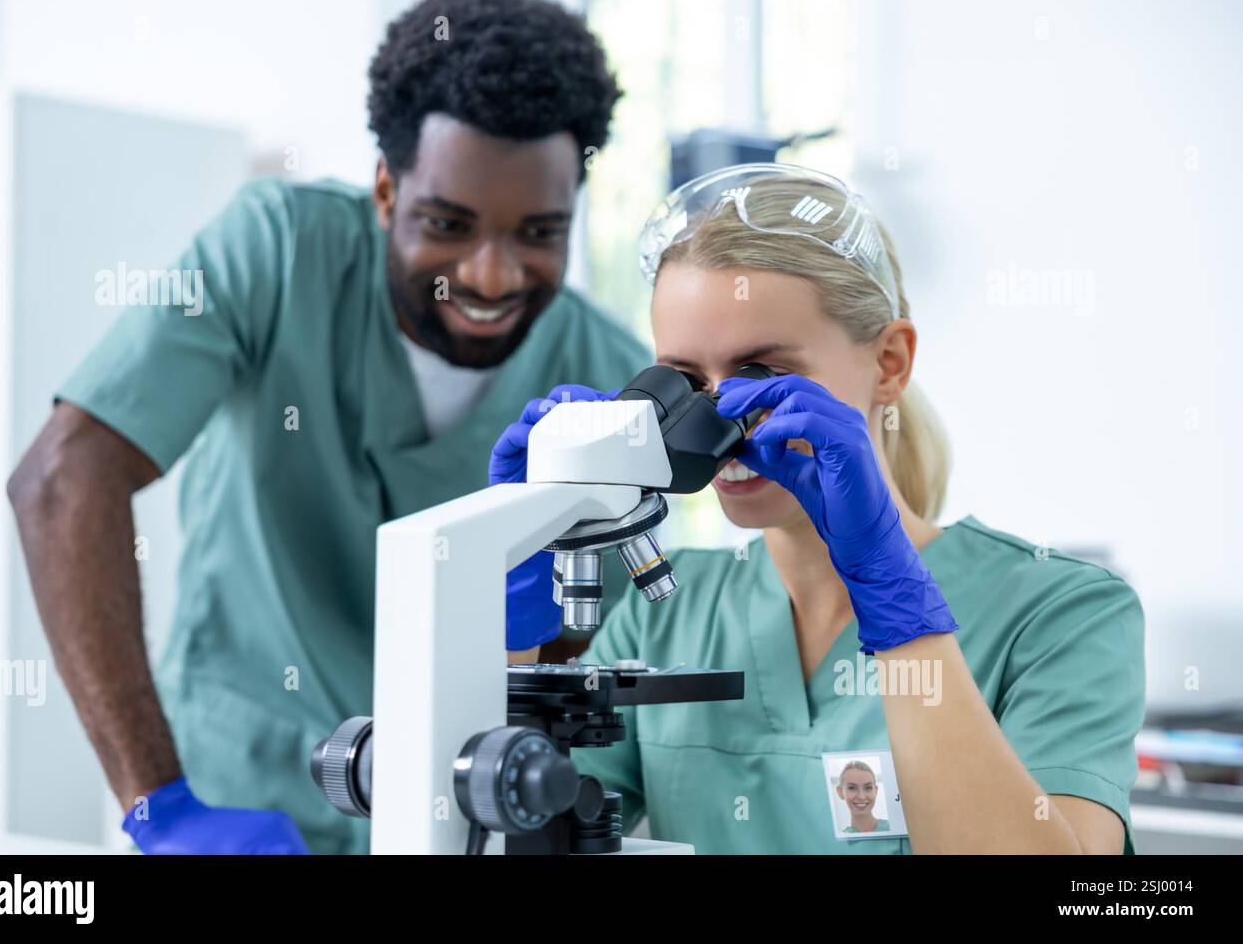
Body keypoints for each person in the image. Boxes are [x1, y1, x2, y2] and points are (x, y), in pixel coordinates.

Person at [6, 0, 650, 855]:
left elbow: (572, 664)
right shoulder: (276, 250)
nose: (493, 276)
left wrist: (534, 630)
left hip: (458, 823)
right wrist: (160, 807)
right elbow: (62, 479)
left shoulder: (602, 373)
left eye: (540, 231)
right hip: (235, 797)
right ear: (386, 190)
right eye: (446, 224)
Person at [490, 164, 1145, 854]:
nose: (713, 423)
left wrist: (895, 598)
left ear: (889, 363)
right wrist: (502, 621)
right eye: (682, 382)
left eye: (762, 376)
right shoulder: (673, 614)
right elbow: (516, 832)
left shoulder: (1063, 613)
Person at [835, 761, 891, 835]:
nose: (861, 797)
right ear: (840, 792)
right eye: (852, 788)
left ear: (876, 791)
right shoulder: (841, 839)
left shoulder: (894, 828)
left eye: (868, 788)